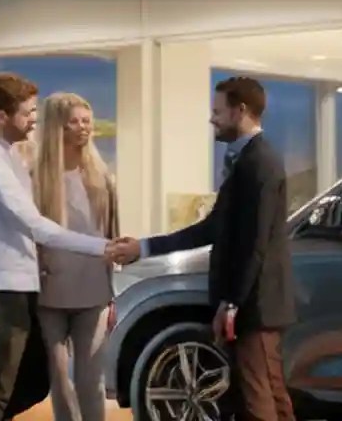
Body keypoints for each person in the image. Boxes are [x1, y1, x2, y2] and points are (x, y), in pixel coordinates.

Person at [115, 76, 297, 421]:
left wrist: (232, 303)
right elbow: (215, 228)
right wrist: (145, 246)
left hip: (254, 305)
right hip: (258, 304)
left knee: (257, 400)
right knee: (270, 394)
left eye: (217, 111)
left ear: (240, 110)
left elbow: (253, 244)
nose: (211, 119)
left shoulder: (258, 163)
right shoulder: (252, 160)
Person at [0, 72, 131, 421]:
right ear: (3, 116)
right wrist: (104, 248)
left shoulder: (6, 156)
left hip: (18, 286)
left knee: (25, 382)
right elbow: (36, 224)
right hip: (1, 286)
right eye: (28, 112)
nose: (34, 119)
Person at [28, 92, 118, 421]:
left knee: (91, 378)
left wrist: (113, 294)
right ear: (57, 128)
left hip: (93, 292)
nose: (83, 128)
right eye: (74, 122)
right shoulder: (35, 180)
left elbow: (110, 237)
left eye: (86, 121)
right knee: (58, 378)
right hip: (49, 292)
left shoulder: (102, 177)